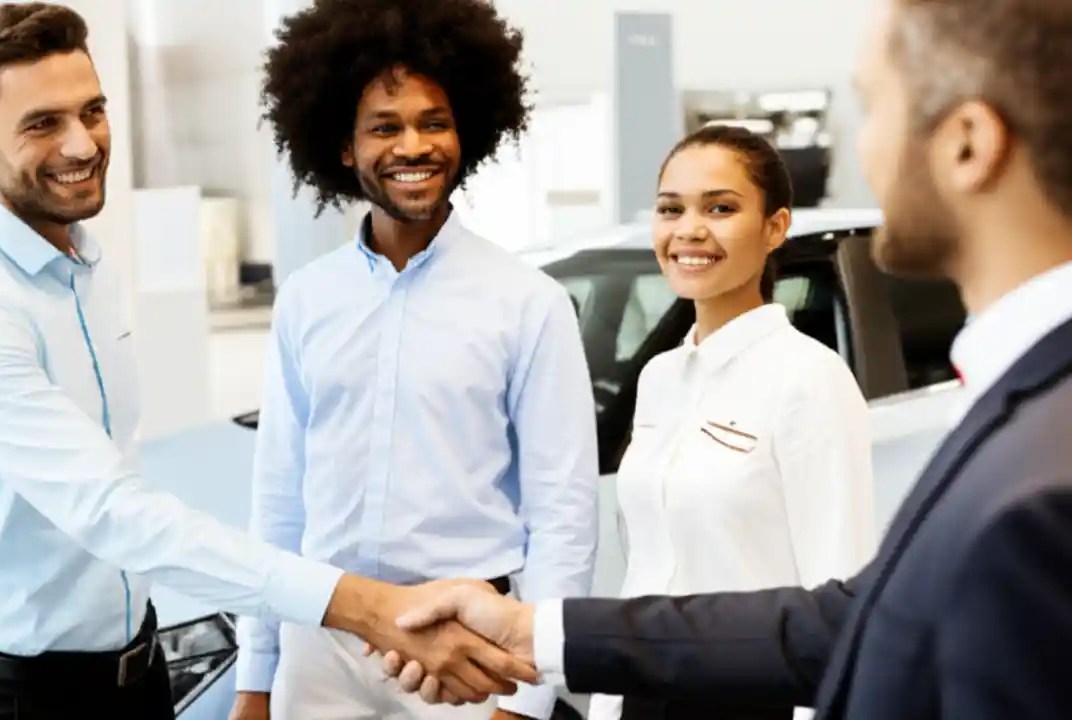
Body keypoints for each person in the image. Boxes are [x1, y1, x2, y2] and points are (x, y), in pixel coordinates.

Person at [375, 0, 1072, 717]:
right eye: (670, 208)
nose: (860, 150)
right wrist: (537, 635)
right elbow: (804, 613)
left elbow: (831, 613)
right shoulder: (660, 376)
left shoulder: (823, 382)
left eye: (872, 107)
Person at [0, 4, 534, 719]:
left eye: (93, 110)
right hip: (14, 698)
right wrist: (369, 609)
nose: (82, 143)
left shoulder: (87, 270)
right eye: (43, 124)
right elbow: (114, 514)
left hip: (136, 674)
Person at [231, 1, 600, 719]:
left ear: (468, 133)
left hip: (465, 641)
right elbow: (278, 503)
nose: (414, 145)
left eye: (435, 122)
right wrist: (256, 677)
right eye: (385, 126)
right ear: (344, 147)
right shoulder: (306, 301)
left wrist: (528, 697)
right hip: (324, 636)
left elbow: (563, 514)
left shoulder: (528, 303)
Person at [583, 126, 875, 720]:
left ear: (776, 227)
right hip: (645, 691)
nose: (689, 230)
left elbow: (839, 590)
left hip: (751, 699)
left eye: (720, 208)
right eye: (671, 209)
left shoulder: (809, 378)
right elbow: (645, 569)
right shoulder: (659, 377)